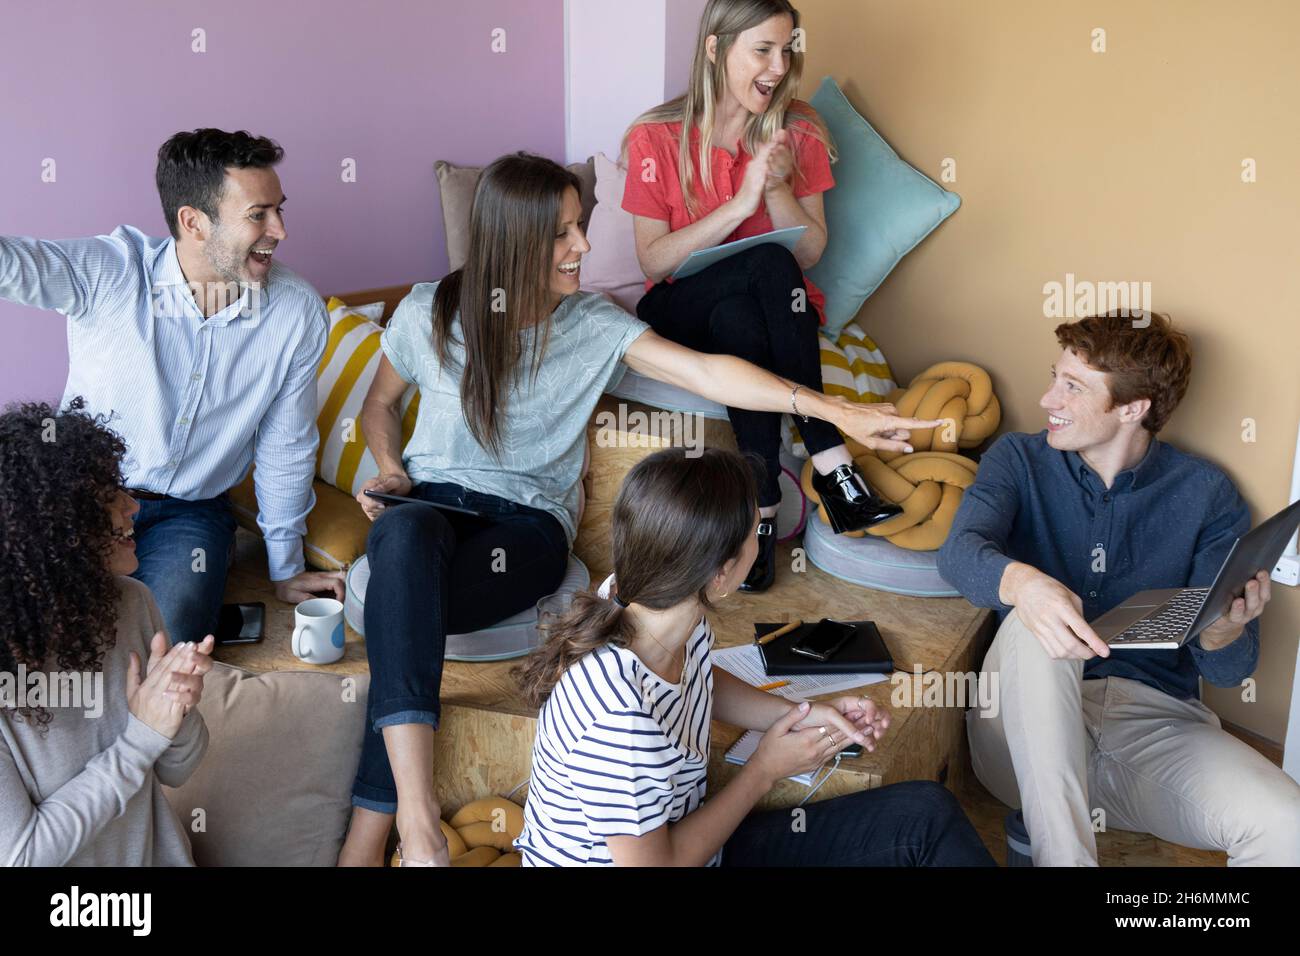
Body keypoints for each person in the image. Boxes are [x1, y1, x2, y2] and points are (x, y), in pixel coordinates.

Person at [336, 152, 938, 867]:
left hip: (524, 527)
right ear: (514, 240)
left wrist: (831, 411)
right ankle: (411, 816)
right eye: (562, 234)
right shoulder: (427, 309)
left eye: (579, 228)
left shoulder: (590, 323)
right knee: (402, 542)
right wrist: (390, 468)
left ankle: (377, 834)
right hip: (430, 510)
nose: (583, 247)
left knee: (399, 605)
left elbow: (709, 372)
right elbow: (379, 404)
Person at [512, 447, 994, 866]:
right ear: (721, 575)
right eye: (755, 532)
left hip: (697, 848)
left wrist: (800, 715)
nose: (762, 538)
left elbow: (698, 680)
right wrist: (764, 770)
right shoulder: (617, 717)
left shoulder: (645, 596)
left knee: (923, 815)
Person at [937, 311, 1300, 866]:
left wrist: (1227, 627)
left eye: (1072, 387)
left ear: (1133, 409)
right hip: (1021, 734)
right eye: (1055, 377)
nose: (1046, 399)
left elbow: (1230, 673)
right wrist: (1027, 585)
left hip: (1152, 734)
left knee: (1287, 825)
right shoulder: (1018, 459)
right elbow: (958, 554)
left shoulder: (1206, 494)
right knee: (1048, 619)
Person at [0, 128, 344, 647]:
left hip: (190, 514)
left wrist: (284, 566)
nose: (280, 230)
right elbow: (13, 266)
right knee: (36, 630)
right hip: (85, 497)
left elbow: (286, 445)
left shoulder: (296, 312)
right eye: (258, 214)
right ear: (193, 221)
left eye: (280, 209)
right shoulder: (110, 271)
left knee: (165, 637)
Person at [622, 0, 900, 593]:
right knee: (763, 264)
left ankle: (762, 513)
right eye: (763, 50)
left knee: (744, 319)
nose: (778, 66)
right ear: (715, 49)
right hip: (677, 308)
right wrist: (739, 206)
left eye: (787, 49)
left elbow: (810, 253)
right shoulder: (654, 136)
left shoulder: (798, 131)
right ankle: (832, 462)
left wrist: (775, 190)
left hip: (769, 309)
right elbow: (653, 260)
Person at [0, 399, 213, 866]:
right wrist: (140, 737)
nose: (133, 506)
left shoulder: (131, 602)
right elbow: (21, 856)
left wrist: (175, 708)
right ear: (48, 529)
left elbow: (177, 770)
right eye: (107, 498)